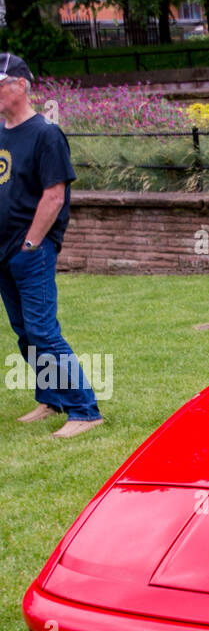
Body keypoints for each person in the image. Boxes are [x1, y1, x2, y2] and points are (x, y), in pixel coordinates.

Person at [0, 52, 102, 438]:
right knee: (25, 332)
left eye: (0, 84)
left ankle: (85, 410)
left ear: (21, 85)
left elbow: (54, 195)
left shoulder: (46, 134)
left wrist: (31, 243)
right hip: (3, 251)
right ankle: (52, 399)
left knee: (43, 331)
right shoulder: (1, 132)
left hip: (31, 251)